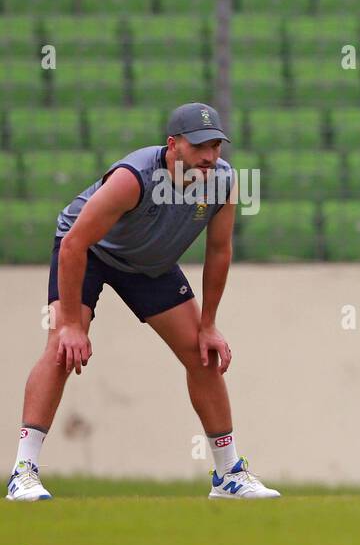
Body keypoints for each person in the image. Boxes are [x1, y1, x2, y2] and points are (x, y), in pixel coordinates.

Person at [8, 103, 279, 501]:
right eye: (200, 145)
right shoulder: (132, 178)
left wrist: (208, 324)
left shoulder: (223, 181)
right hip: (91, 253)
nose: (209, 156)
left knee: (201, 354)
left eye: (216, 145)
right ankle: (23, 473)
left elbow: (219, 251)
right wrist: (68, 324)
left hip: (149, 264)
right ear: (173, 145)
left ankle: (228, 477)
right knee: (61, 350)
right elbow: (74, 244)